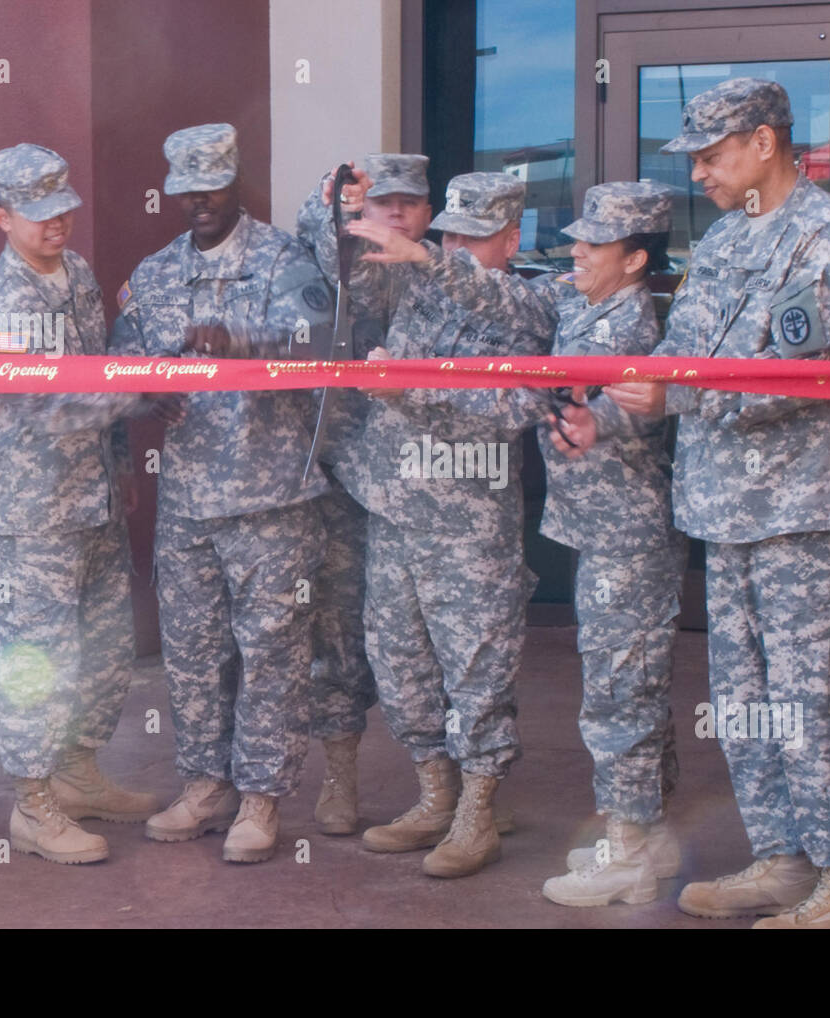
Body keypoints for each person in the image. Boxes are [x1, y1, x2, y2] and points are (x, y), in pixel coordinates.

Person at [558, 78, 830, 928]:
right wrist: (615, 407)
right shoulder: (720, 247)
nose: (700, 175)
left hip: (810, 514)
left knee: (818, 695)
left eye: (711, 157)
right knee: (749, 702)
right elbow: (678, 353)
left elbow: (794, 380)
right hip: (726, 509)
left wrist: (675, 397)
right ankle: (785, 859)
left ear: (764, 142)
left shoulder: (829, 238)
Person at [346, 181, 688, 906]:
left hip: (613, 532)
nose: (576, 252)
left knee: (615, 693)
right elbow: (500, 305)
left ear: (633, 259)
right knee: (610, 689)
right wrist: (396, 246)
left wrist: (411, 391)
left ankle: (620, 841)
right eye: (449, 236)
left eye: (592, 243)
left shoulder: (630, 324)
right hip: (573, 525)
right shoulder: (572, 302)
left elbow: (548, 402)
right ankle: (634, 833)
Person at [297, 170, 553, 877]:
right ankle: (435, 795)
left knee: (478, 671)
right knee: (401, 665)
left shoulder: (527, 305)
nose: (459, 250)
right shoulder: (415, 289)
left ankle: (480, 810)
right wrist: (334, 208)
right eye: (450, 237)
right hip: (396, 509)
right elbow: (331, 265)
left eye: (476, 238)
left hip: (468, 524)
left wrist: (417, 386)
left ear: (511, 238)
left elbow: (515, 406)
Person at [110, 123, 333, 863]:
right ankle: (207, 784)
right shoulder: (155, 273)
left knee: (272, 653)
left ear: (235, 182)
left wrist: (243, 343)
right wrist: (146, 397)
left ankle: (263, 798)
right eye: (186, 188)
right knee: (193, 652)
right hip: (187, 502)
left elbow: (321, 343)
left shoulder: (282, 258)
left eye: (211, 185)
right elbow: (120, 365)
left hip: (273, 499)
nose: (199, 199)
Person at [0, 143, 160, 865]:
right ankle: (32, 805)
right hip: (36, 514)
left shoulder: (76, 274)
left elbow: (100, 366)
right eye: (39, 214)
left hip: (95, 503)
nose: (58, 224)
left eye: (63, 208)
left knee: (107, 650)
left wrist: (119, 465)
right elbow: (49, 402)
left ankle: (77, 774)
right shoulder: (2, 307)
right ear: (3, 217)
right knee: (37, 659)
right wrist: (145, 390)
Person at [308, 154, 433, 837]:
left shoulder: (446, 278)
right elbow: (314, 236)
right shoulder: (341, 266)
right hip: (344, 482)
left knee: (433, 649)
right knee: (336, 638)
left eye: (408, 204)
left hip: (423, 494)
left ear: (427, 213)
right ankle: (340, 777)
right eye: (380, 204)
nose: (394, 216)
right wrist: (329, 200)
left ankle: (449, 791)